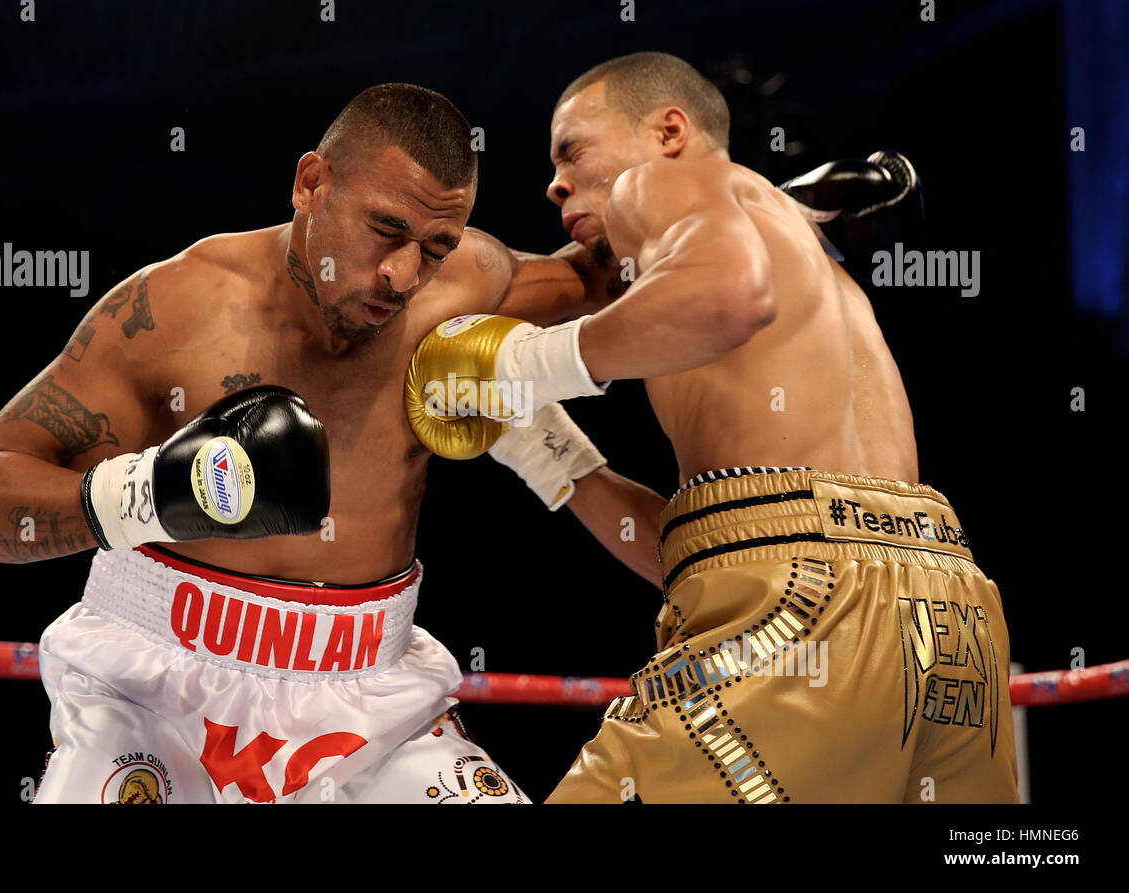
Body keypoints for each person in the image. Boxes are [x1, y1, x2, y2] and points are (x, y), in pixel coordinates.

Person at [0, 82, 606, 804]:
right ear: (311, 183)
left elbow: (609, 274)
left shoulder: (465, 284)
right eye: (385, 229)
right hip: (155, 693)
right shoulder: (169, 312)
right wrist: (155, 491)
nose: (404, 275)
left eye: (435, 247)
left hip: (374, 706)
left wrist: (677, 182)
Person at [405, 52, 1018, 803]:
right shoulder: (807, 259)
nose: (554, 182)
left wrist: (519, 365)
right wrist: (536, 442)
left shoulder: (667, 180)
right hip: (952, 619)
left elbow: (729, 299)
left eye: (573, 150)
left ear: (669, 131)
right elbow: (720, 552)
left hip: (805, 607)